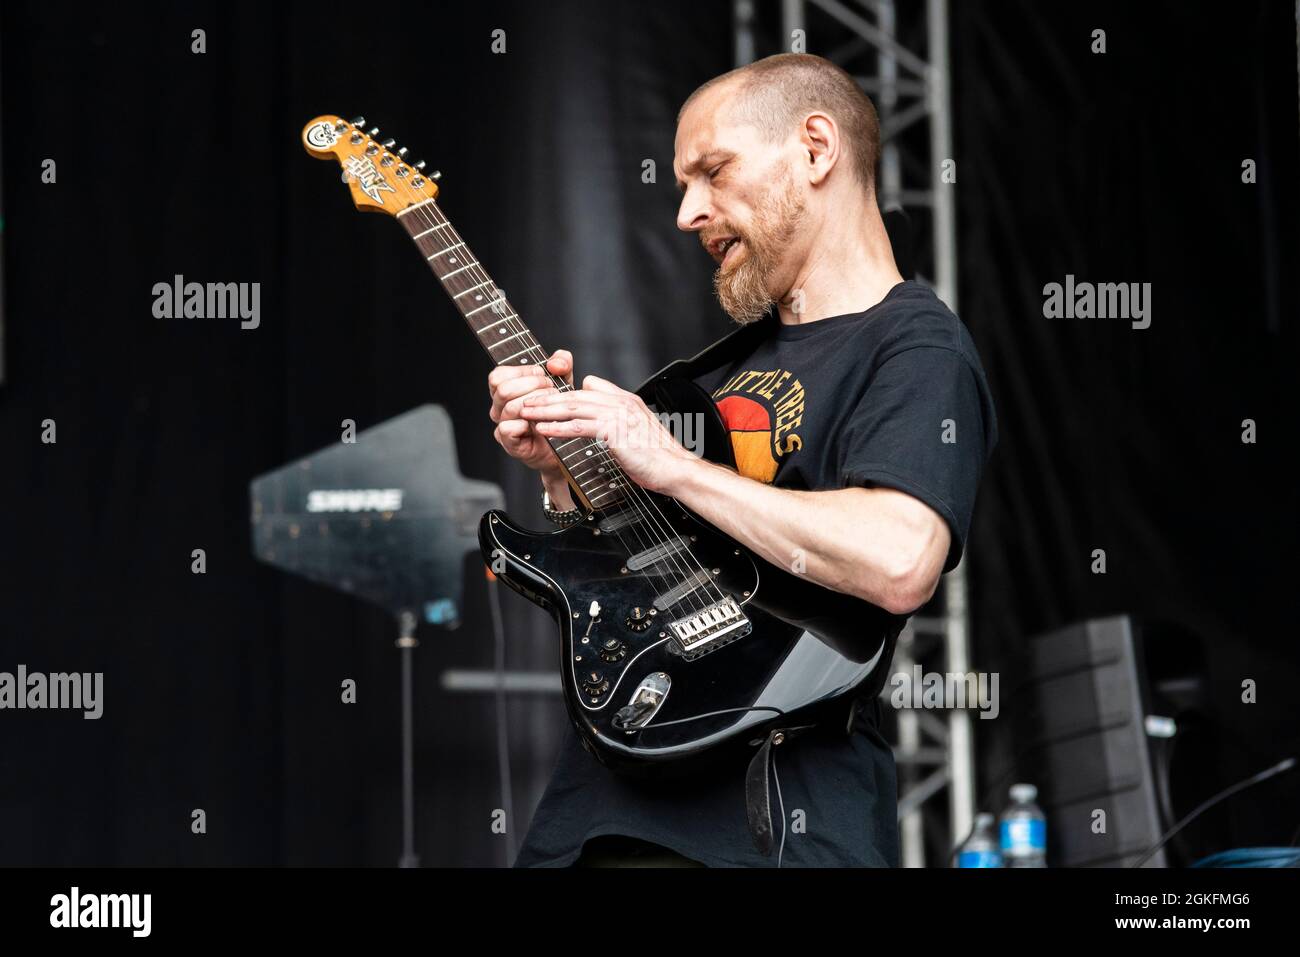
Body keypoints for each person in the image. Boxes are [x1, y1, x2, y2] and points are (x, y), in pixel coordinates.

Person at [487, 53, 997, 867]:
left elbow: (902, 558)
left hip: (772, 817)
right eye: (684, 185)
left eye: (713, 173)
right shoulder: (711, 374)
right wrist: (559, 475)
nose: (689, 212)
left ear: (817, 149)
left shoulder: (915, 347)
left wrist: (674, 464)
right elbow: (628, 563)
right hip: (594, 812)